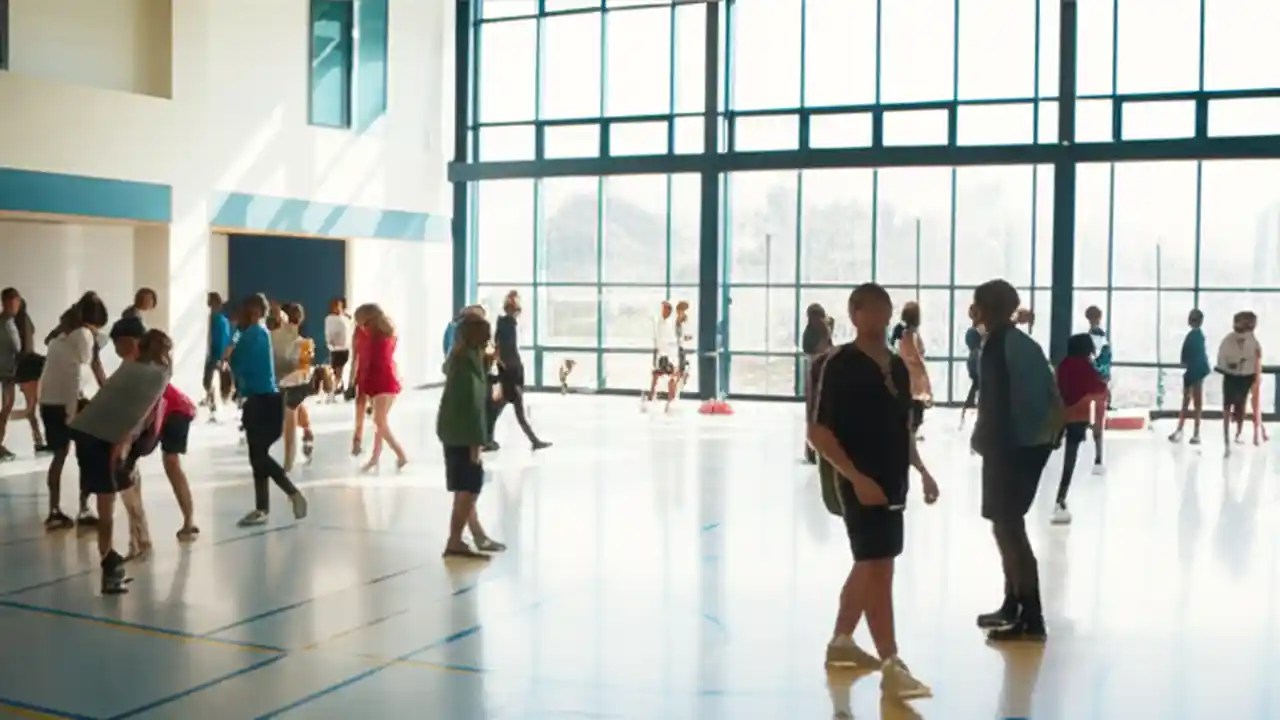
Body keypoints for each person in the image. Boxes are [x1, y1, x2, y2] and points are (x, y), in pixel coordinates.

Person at [807, 283, 939, 701]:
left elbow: (904, 428)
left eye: (886, 309)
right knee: (876, 566)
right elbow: (817, 432)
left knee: (875, 565)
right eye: (872, 309)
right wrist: (855, 477)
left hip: (893, 481)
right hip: (858, 482)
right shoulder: (839, 364)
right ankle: (891, 662)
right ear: (854, 314)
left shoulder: (898, 368)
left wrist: (921, 469)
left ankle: (842, 642)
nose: (881, 317)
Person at [971, 280, 1060, 642]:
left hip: (1014, 447)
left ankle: (1031, 616)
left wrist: (995, 443)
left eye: (976, 304)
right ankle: (1012, 603)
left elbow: (1010, 403)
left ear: (987, 309)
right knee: (1003, 525)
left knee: (1010, 528)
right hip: (1012, 445)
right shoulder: (1004, 342)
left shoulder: (1005, 346)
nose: (972, 310)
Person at [228, 293, 307, 526]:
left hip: (260, 403)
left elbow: (235, 360)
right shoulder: (259, 333)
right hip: (266, 401)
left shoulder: (253, 334)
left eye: (243, 311)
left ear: (252, 312)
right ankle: (262, 508)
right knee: (257, 458)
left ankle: (292, 493)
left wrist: (234, 340)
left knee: (259, 457)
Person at [438, 313, 507, 559]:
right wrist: (476, 443)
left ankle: (476, 534)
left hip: (453, 432)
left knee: (465, 489)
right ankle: (455, 540)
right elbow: (471, 408)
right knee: (467, 489)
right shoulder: (467, 371)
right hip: (463, 435)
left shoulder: (463, 360)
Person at [39, 295, 111, 529]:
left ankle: (54, 509)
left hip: (49, 402)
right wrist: (73, 412)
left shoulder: (58, 337)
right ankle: (84, 507)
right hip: (73, 402)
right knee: (86, 456)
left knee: (59, 455)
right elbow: (79, 373)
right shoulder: (84, 336)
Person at [1051, 334, 1108, 525]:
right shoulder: (1087, 367)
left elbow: (1058, 387)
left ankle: (1060, 495)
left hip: (1064, 413)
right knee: (1073, 455)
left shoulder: (1063, 365)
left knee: (1064, 452)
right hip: (1082, 414)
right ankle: (1061, 498)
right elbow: (1099, 387)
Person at [486, 291, 550, 453]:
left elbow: (500, 350)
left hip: (509, 373)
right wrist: (511, 371)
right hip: (511, 375)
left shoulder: (503, 325)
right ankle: (533, 440)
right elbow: (507, 352)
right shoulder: (508, 326)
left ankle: (488, 438)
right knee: (513, 409)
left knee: (498, 408)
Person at [357, 304, 409, 471]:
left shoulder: (377, 340)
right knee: (381, 422)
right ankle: (375, 456)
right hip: (385, 382)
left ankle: (400, 454)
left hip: (382, 383)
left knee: (379, 421)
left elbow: (374, 363)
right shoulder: (387, 336)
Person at [1, 291, 49, 459]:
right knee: (28, 406)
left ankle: (38, 439)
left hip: (16, 369)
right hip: (22, 368)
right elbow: (22, 348)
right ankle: (39, 440)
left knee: (23, 407)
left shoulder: (13, 322)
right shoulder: (13, 322)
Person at [274, 303, 317, 472]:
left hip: (292, 383)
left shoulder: (301, 342)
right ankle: (306, 432)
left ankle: (288, 462)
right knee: (294, 411)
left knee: (289, 420)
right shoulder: (303, 342)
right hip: (294, 382)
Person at [1217, 311, 1259, 458]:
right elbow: (1221, 359)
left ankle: (1238, 432)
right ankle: (1227, 435)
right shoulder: (1228, 340)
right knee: (1227, 405)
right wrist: (1230, 365)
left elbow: (1256, 360)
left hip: (1246, 377)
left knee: (1240, 404)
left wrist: (1254, 377)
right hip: (1231, 376)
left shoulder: (1253, 342)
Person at [1169, 309, 1210, 445]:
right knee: (1190, 403)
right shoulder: (1196, 336)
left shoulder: (1194, 337)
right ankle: (1187, 431)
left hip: (1194, 373)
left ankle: (1192, 432)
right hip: (1194, 373)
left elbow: (1187, 357)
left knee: (1191, 403)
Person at [892, 302, 931, 437]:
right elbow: (917, 357)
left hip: (907, 375)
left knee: (912, 408)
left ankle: (910, 435)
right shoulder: (911, 335)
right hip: (915, 377)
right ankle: (910, 436)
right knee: (916, 410)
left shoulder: (904, 335)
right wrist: (927, 380)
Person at [802, 303, 834, 464]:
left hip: (815, 373)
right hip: (820, 372)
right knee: (818, 411)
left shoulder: (811, 332)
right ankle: (815, 448)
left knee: (813, 411)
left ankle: (812, 448)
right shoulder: (823, 330)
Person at [1238, 312, 1269, 446]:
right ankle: (1258, 433)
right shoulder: (1252, 342)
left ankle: (1255, 434)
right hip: (1252, 376)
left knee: (1251, 405)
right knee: (1254, 405)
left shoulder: (1249, 342)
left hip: (1251, 376)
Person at [643, 301, 679, 413]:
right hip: (662, 354)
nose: (662, 311)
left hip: (669, 354)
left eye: (665, 309)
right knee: (656, 375)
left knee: (670, 376)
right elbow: (657, 340)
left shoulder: (670, 324)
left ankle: (671, 399)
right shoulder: (659, 322)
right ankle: (653, 395)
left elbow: (671, 341)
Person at [203, 292, 234, 419]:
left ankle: (213, 405)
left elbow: (222, 340)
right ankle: (214, 404)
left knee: (210, 381)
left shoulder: (218, 321)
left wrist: (220, 357)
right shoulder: (222, 321)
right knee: (213, 381)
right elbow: (229, 341)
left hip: (215, 356)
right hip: (219, 356)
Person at [960, 306, 984, 430]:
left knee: (976, 386)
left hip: (973, 361)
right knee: (979, 388)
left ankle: (967, 411)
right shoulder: (980, 330)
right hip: (978, 361)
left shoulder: (971, 331)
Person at [324, 297, 353, 401]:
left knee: (341, 371)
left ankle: (338, 390)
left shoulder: (346, 318)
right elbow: (328, 333)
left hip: (345, 348)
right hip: (335, 349)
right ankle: (332, 392)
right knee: (337, 372)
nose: (337, 308)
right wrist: (330, 343)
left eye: (339, 306)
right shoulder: (329, 319)